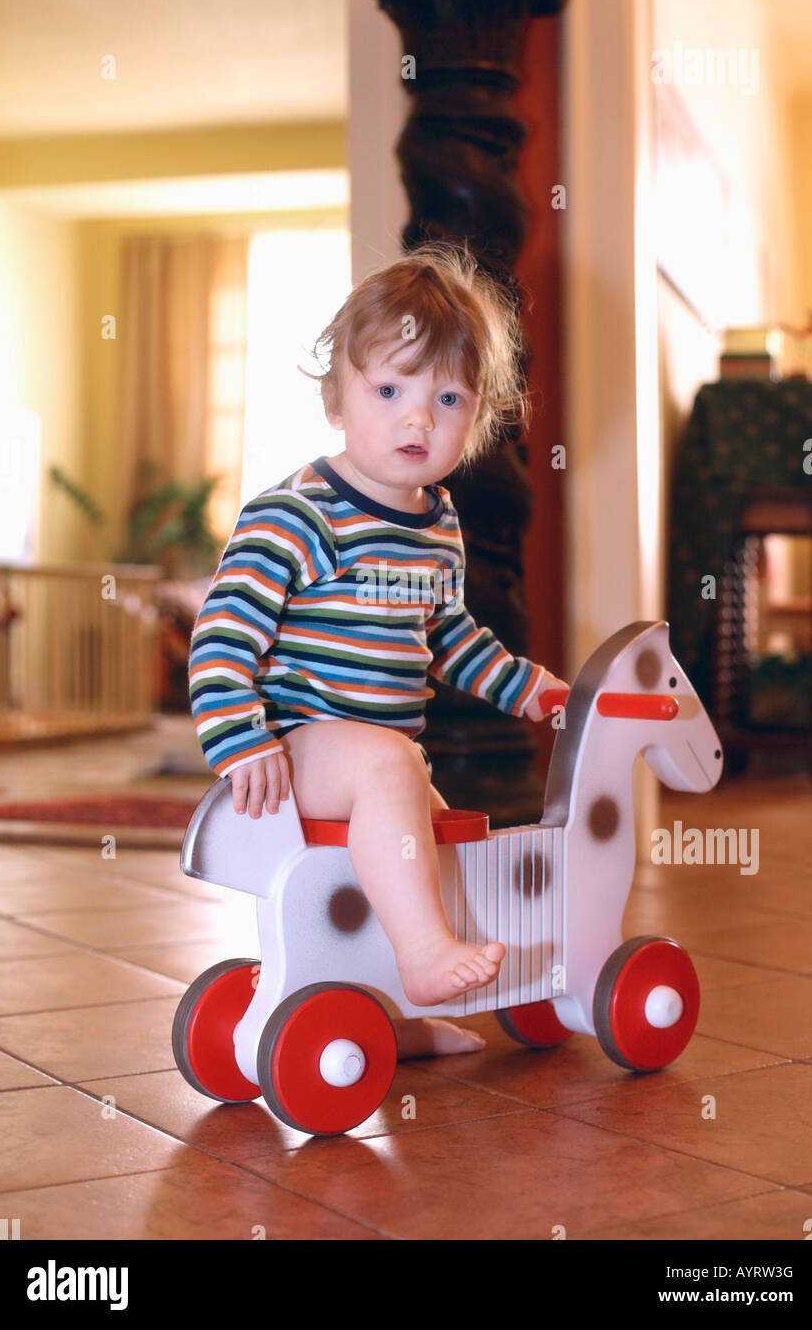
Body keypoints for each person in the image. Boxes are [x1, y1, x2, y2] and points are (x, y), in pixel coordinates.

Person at [188, 242, 568, 1059]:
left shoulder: (437, 523)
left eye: (448, 397)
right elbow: (222, 635)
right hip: (299, 748)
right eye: (389, 389)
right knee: (397, 771)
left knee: (444, 840)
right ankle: (425, 958)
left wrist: (532, 688)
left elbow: (450, 641)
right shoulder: (298, 513)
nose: (417, 417)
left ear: (479, 417)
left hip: (381, 758)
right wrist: (240, 738)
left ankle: (394, 1012)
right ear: (336, 399)